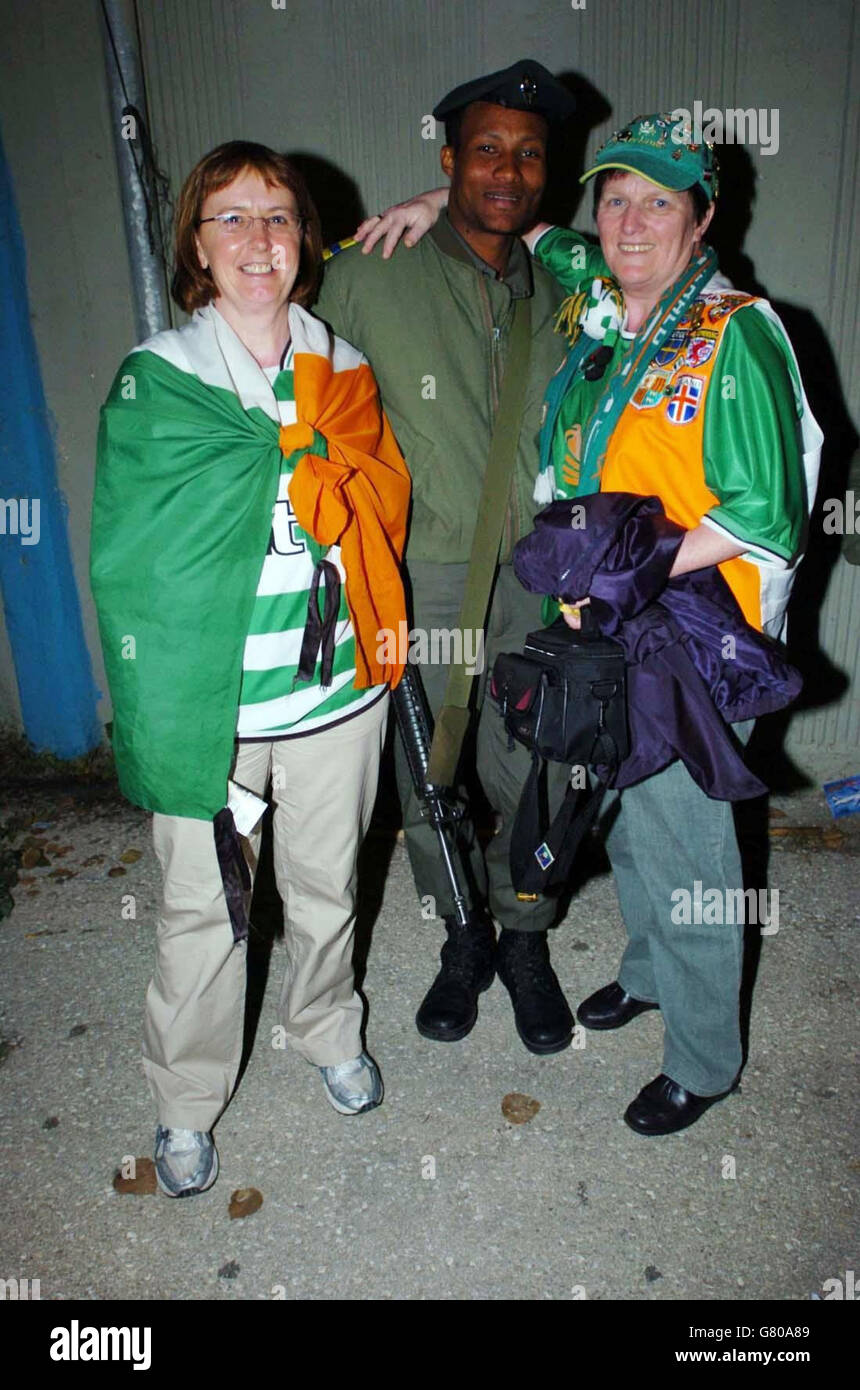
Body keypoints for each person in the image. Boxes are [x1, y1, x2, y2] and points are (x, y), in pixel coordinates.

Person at [359, 113, 821, 1133]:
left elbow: (759, 514)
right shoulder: (603, 299)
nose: (628, 220)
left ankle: (702, 1060)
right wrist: (429, 202)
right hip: (610, 631)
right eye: (614, 197)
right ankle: (648, 971)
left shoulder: (731, 332)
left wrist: (624, 565)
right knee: (629, 822)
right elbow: (523, 226)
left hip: (692, 634)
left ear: (700, 220)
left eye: (658, 202)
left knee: (690, 846)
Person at [90, 141, 410, 1195]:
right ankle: (185, 1101)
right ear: (196, 243)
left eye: (275, 216)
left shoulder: (346, 370)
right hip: (211, 713)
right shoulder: (161, 383)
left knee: (327, 890)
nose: (256, 239)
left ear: (301, 238)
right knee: (203, 913)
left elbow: (378, 514)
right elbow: (132, 565)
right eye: (230, 218)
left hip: (334, 697)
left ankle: (325, 1031)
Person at [316, 60, 581, 1057]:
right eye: (482, 150)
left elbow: (673, 263)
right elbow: (279, 354)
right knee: (428, 768)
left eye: (525, 153)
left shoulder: (571, 284)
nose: (504, 171)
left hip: (541, 575)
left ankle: (523, 936)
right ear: (446, 158)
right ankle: (461, 933)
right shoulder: (369, 271)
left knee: (539, 766)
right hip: (421, 569)